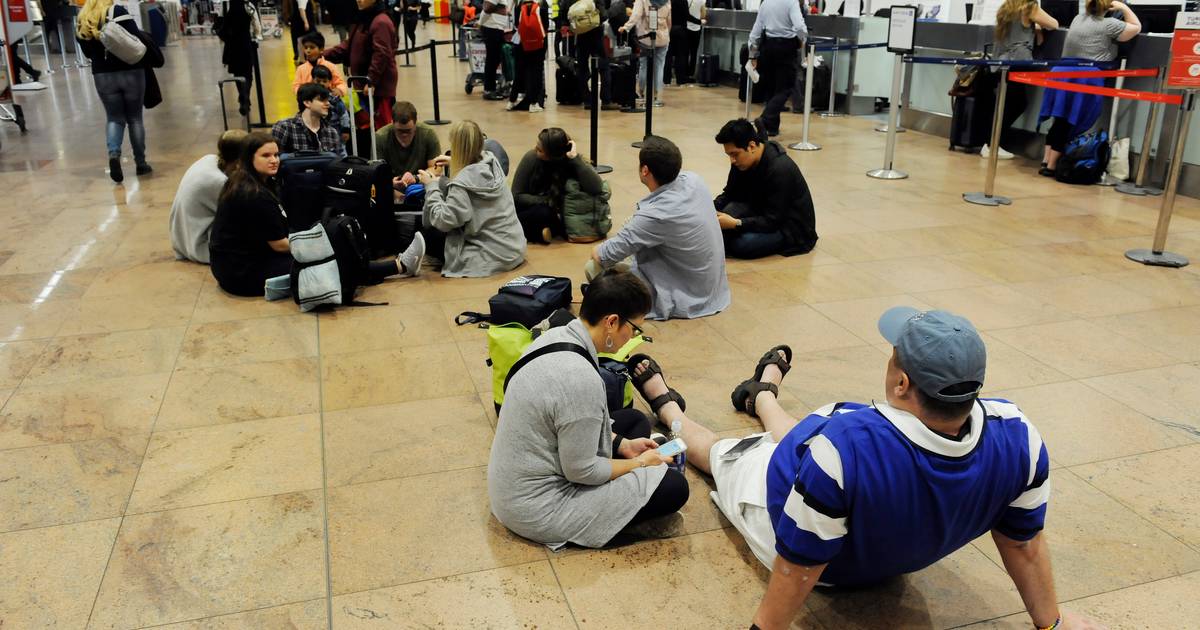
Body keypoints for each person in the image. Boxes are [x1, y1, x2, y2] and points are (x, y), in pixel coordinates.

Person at [638, 306, 1102, 630]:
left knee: (720, 451)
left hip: (814, 542)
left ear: (901, 383)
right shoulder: (1021, 436)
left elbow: (799, 568)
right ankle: (762, 392)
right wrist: (1052, 623)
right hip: (835, 485)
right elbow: (1023, 543)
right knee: (803, 440)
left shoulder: (846, 448)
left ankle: (668, 408)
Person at [488, 269, 687, 550]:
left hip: (514, 484)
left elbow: (567, 418)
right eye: (634, 328)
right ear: (612, 322)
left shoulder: (558, 333)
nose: (632, 338)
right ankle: (616, 524)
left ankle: (627, 471)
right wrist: (640, 464)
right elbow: (581, 472)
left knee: (632, 421)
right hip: (536, 508)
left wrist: (623, 444)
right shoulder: (579, 379)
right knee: (673, 487)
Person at [210, 132, 425, 296]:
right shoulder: (253, 194)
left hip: (235, 264)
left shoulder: (248, 182)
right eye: (266, 155)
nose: (274, 160)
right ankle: (400, 265)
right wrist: (323, 247)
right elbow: (279, 244)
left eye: (276, 154)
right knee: (330, 262)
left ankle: (398, 265)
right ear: (249, 158)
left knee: (327, 254)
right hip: (242, 273)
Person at [589, 135, 731, 320]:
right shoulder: (694, 180)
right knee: (632, 234)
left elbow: (605, 254)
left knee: (592, 267)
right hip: (713, 289)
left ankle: (621, 309)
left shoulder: (655, 215)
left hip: (687, 296)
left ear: (645, 170)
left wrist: (597, 249)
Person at [1039, 0, 1139, 177]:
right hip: (1083, 77)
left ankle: (1047, 160)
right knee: (1069, 121)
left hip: (1060, 72)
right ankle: (1052, 166)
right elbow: (1136, 27)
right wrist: (1124, 7)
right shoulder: (1110, 25)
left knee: (1059, 119)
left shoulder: (1078, 18)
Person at [417, 120, 527, 277]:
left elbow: (444, 221)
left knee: (427, 232)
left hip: (489, 257)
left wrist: (431, 187)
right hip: (514, 248)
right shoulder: (492, 162)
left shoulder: (461, 184)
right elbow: (474, 169)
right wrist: (453, 161)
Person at [713, 119, 818, 258]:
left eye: (734, 154)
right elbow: (730, 193)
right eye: (729, 155)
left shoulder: (780, 169)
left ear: (751, 146)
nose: (732, 160)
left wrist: (737, 224)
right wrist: (708, 209)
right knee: (723, 215)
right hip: (759, 209)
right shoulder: (741, 161)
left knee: (743, 244)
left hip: (788, 226)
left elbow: (773, 220)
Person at [76, 0, 152, 183]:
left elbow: (87, 53)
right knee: (135, 118)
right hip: (131, 71)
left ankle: (113, 155)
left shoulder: (83, 18)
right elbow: (136, 40)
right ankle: (141, 164)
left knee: (114, 118)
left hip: (103, 75)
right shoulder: (118, 12)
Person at [983, 0, 1057, 160]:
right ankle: (991, 144)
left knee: (1005, 105)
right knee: (1016, 104)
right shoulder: (1030, 7)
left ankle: (991, 143)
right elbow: (1054, 24)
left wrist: (1035, 29)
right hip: (1016, 63)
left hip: (1000, 63)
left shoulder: (1007, 7)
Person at [511, 127, 604, 243]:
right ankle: (539, 233)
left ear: (552, 155)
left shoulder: (570, 161)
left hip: (560, 213)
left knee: (560, 219)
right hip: (532, 209)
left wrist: (575, 159)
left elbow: (596, 187)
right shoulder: (531, 157)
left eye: (540, 150)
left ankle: (540, 232)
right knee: (542, 213)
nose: (535, 149)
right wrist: (547, 201)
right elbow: (516, 196)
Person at [170, 130, 249, 264]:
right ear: (240, 160)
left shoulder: (209, 159)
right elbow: (244, 216)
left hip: (183, 239)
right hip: (199, 246)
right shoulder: (219, 182)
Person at [324, 0, 400, 132]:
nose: (359, 0)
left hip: (377, 87)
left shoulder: (380, 21)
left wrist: (372, 80)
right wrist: (324, 55)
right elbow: (349, 45)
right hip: (363, 83)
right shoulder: (363, 18)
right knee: (367, 125)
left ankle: (379, 152)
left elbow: (381, 54)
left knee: (381, 128)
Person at [747, 0, 807, 137]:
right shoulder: (791, 2)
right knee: (786, 87)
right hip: (786, 48)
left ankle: (771, 128)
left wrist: (752, 55)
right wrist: (803, 41)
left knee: (772, 88)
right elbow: (799, 26)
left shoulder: (765, 3)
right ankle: (766, 118)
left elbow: (756, 30)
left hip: (768, 47)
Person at [377, 101, 443, 194]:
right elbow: (376, 173)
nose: (404, 135)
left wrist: (416, 178)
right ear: (392, 123)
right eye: (400, 131)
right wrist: (389, 183)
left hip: (421, 186)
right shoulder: (381, 137)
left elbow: (437, 169)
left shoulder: (428, 134)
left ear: (415, 124)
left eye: (408, 131)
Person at [568, 0, 619, 110]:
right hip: (596, 36)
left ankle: (587, 100)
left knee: (582, 68)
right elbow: (604, 15)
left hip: (581, 37)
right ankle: (606, 100)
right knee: (604, 67)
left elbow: (567, 15)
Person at [271, 83, 347, 157]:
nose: (328, 104)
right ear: (307, 102)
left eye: (327, 100)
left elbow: (340, 162)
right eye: (322, 100)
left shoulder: (331, 132)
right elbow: (273, 159)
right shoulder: (284, 127)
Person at [619, 0, 670, 107]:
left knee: (644, 66)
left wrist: (626, 27)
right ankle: (656, 96)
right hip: (663, 36)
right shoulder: (667, 1)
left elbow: (636, 15)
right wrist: (666, 33)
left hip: (645, 37)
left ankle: (641, 93)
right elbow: (669, 20)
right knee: (659, 66)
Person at [218, 0, 261, 118]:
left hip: (232, 46)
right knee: (248, 74)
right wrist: (257, 35)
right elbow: (256, 24)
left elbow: (220, 27)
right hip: (246, 44)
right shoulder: (248, 5)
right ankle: (245, 95)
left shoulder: (226, 6)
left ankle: (243, 99)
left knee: (238, 74)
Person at [508, 0, 547, 112]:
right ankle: (534, 103)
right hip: (538, 44)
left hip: (521, 43)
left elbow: (516, 24)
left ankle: (511, 101)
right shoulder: (541, 4)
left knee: (519, 72)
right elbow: (545, 26)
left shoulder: (519, 4)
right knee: (536, 73)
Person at [292, 32, 348, 97]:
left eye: (312, 47)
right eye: (306, 47)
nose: (308, 51)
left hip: (328, 103)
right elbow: (296, 86)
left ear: (321, 49)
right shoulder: (300, 69)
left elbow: (341, 83)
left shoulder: (331, 66)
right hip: (308, 103)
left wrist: (339, 90)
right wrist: (303, 93)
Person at [480, 0, 512, 101]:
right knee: (492, 60)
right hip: (491, 28)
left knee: (496, 59)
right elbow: (487, 7)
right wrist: (482, 22)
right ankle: (489, 90)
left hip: (497, 28)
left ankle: (492, 88)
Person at [311, 65, 352, 145]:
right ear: (312, 80)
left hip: (336, 132)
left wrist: (345, 130)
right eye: (318, 81)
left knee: (340, 152)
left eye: (324, 81)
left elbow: (343, 115)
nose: (321, 84)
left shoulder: (334, 98)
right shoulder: (309, 98)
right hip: (316, 132)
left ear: (330, 82)